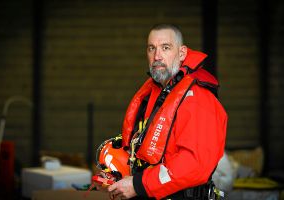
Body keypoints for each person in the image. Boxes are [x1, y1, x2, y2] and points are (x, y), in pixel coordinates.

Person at [96, 24, 227, 200]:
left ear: (181, 53)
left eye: (165, 48)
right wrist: (116, 174)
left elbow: (194, 164)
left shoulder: (198, 99)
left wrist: (138, 184)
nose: (157, 56)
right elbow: (144, 151)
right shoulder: (154, 96)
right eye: (152, 48)